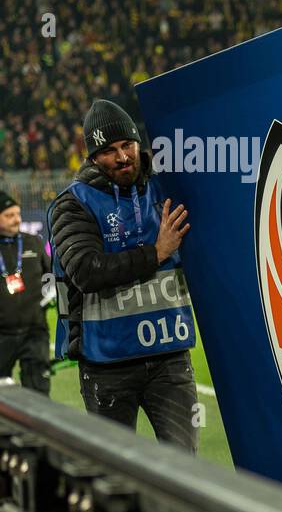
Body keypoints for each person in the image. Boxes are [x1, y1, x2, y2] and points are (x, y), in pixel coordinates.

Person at [47, 99, 200, 450]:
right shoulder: (72, 205)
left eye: (127, 145)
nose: (122, 157)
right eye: (109, 151)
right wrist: (155, 254)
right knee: (116, 476)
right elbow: (86, 270)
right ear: (92, 157)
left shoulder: (167, 191)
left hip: (170, 358)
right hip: (107, 366)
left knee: (187, 473)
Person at [0, 190, 53, 393]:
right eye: (9, 215)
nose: (16, 220)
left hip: (35, 331)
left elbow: (50, 275)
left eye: (17, 214)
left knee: (38, 394)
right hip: (2, 334)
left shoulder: (33, 241)